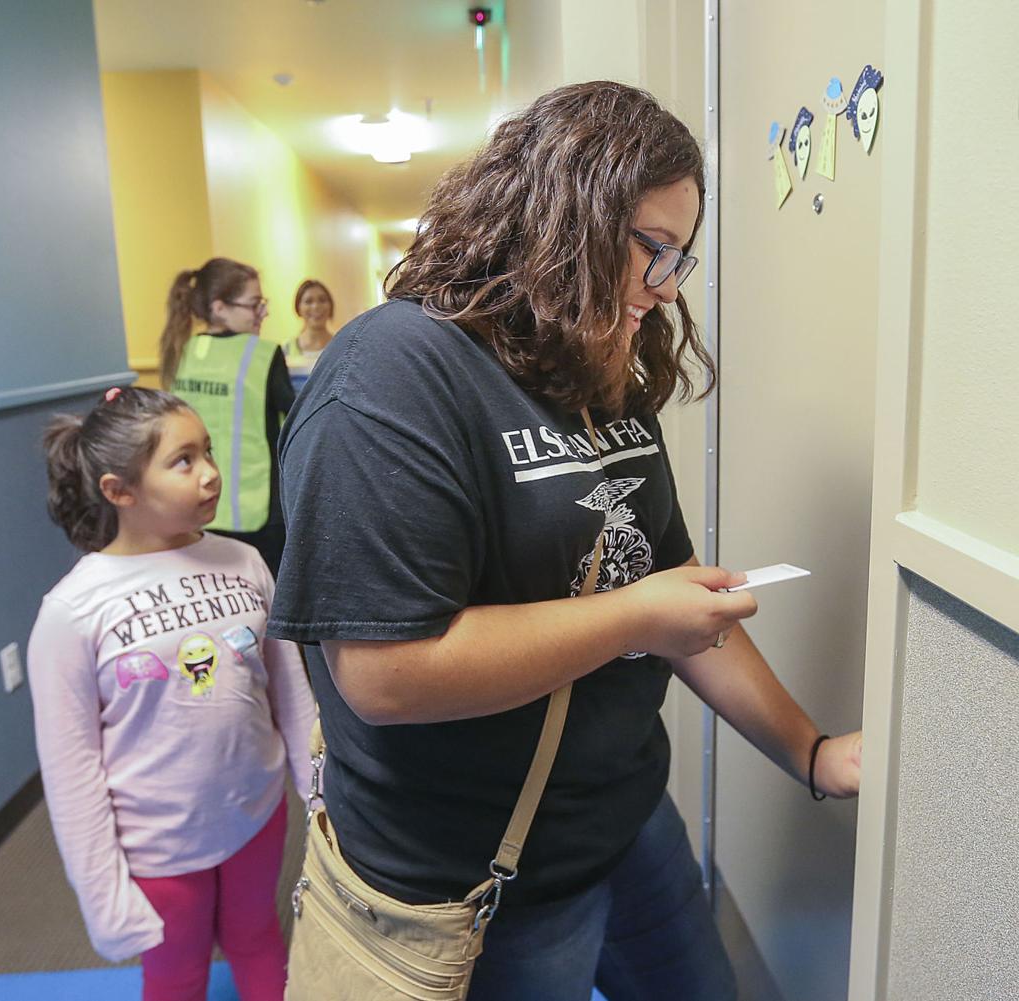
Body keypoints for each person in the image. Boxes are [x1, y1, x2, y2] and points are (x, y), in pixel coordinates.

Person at [266, 82, 862, 1001]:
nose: (664, 289)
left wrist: (811, 753)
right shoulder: (391, 375)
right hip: (473, 874)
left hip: (626, 820)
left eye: (681, 259)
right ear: (560, 216)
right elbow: (384, 675)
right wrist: (633, 617)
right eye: (651, 250)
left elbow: (677, 599)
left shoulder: (592, 366)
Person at [28, 386, 315, 1001]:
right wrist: (104, 897)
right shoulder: (74, 610)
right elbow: (71, 770)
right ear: (119, 491)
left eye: (208, 451)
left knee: (259, 938)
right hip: (159, 844)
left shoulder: (244, 561)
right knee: (177, 973)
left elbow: (290, 689)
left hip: (255, 814)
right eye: (183, 461)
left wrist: (319, 784)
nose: (211, 474)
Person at [160, 258, 295, 576]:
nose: (262, 312)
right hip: (260, 509)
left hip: (196, 505)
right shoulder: (263, 354)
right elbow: (297, 414)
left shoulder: (182, 351)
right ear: (219, 308)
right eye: (254, 304)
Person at [284, 279, 336, 391]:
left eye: (322, 300)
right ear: (298, 308)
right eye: (308, 301)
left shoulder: (342, 346)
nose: (316, 307)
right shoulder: (286, 350)